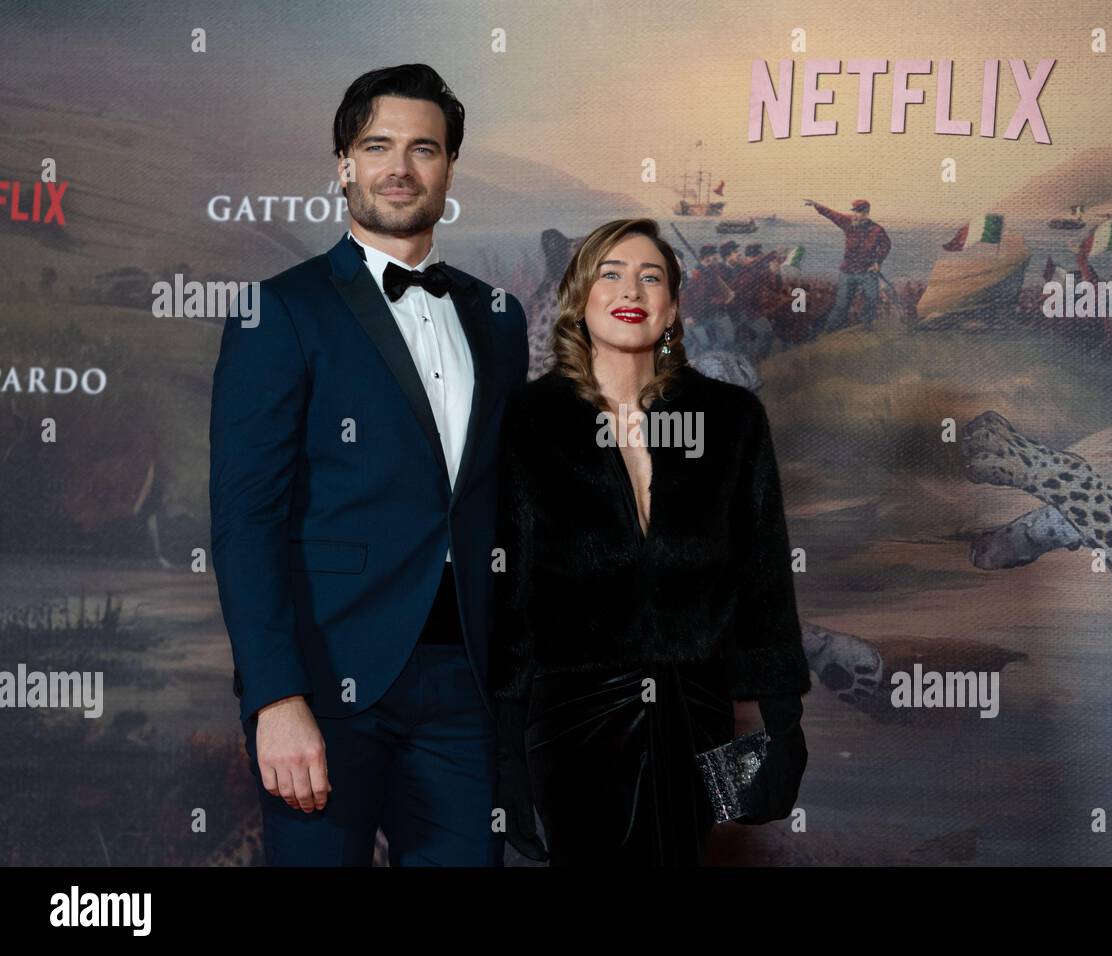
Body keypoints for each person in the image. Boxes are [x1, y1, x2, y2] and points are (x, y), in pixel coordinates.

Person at [209, 64, 529, 865]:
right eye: (377, 145)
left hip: (467, 685)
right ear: (343, 163)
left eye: (424, 148)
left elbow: (505, 503)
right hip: (326, 681)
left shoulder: (499, 317)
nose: (400, 167)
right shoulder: (280, 310)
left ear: (450, 167)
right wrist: (275, 698)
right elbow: (246, 520)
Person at [490, 218, 811, 866]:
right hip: (571, 723)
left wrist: (785, 727)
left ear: (671, 307)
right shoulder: (531, 420)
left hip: (699, 716)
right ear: (580, 298)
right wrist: (504, 754)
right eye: (609, 273)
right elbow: (510, 596)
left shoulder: (731, 420)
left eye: (650, 276)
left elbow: (764, 583)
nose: (629, 288)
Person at [805, 198, 891, 333]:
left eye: (859, 212)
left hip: (867, 272)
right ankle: (830, 330)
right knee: (842, 304)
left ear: (866, 213)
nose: (855, 215)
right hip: (847, 271)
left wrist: (877, 262)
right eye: (854, 211)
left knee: (872, 299)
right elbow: (832, 214)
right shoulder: (848, 222)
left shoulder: (877, 230)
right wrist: (817, 206)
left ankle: (867, 326)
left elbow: (886, 245)